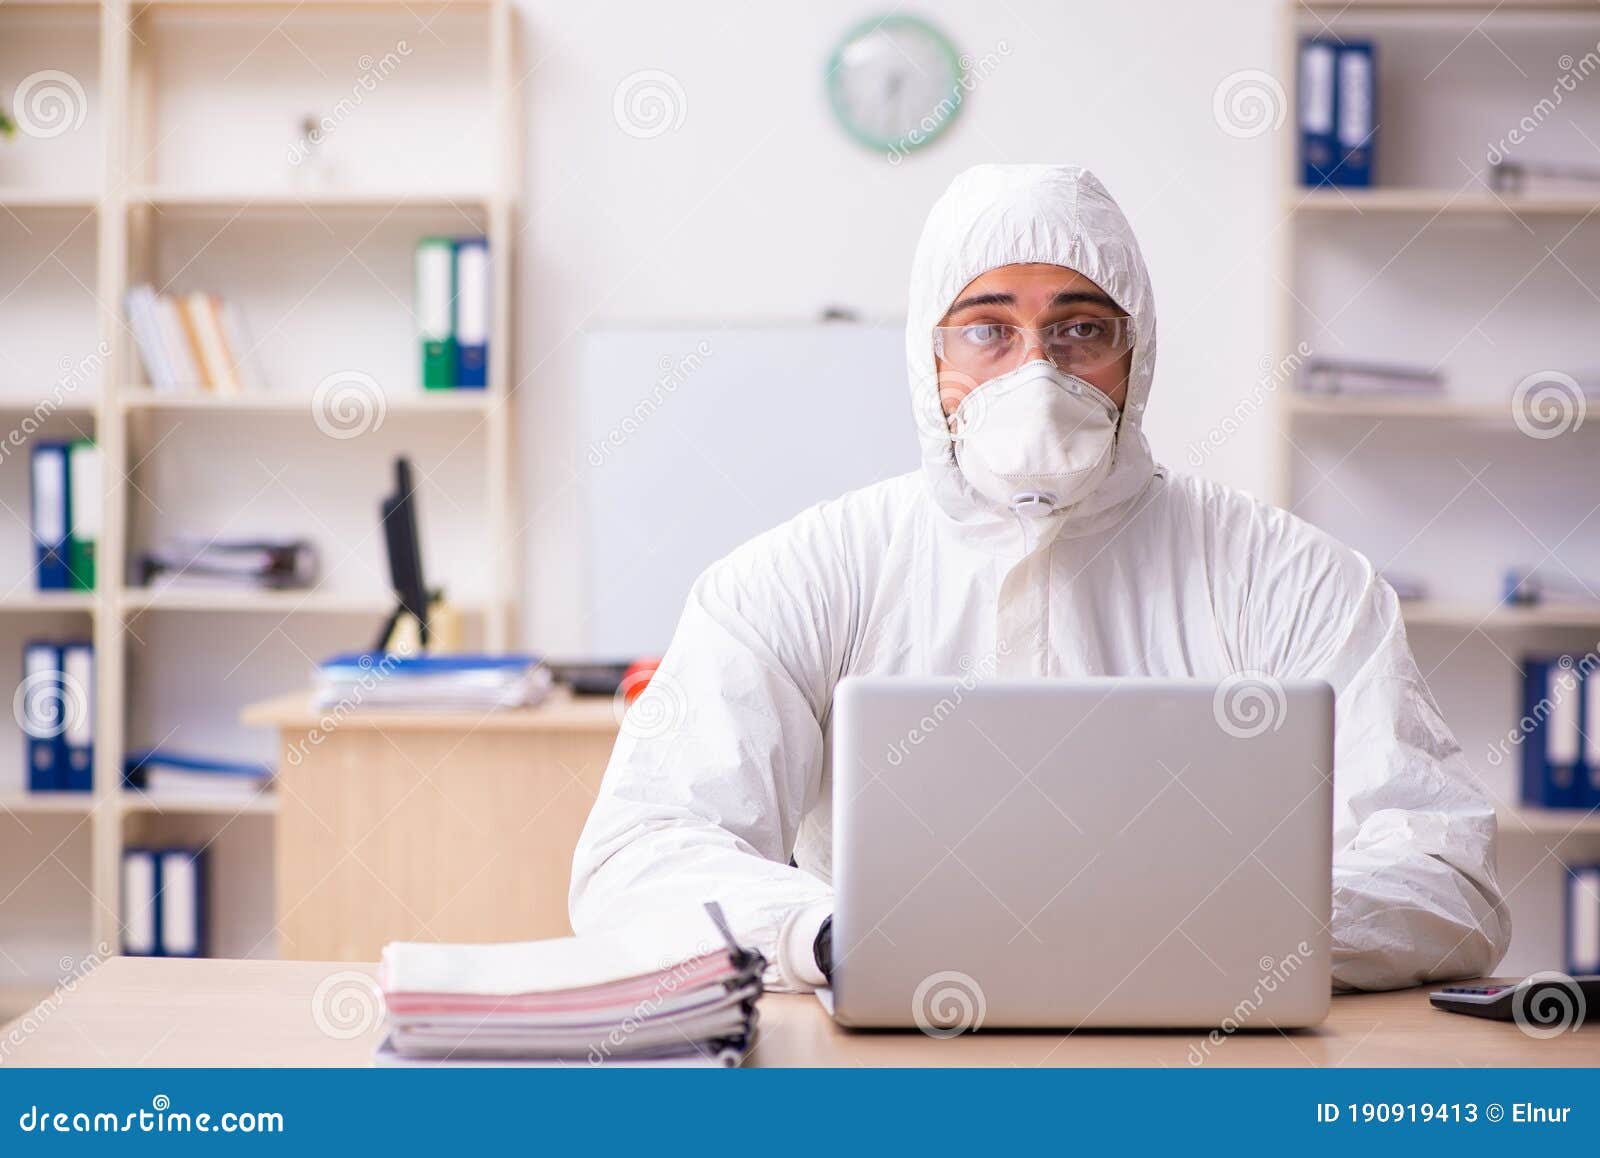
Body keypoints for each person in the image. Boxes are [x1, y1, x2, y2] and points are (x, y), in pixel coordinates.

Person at [569, 163, 1510, 993]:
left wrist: (1227, 940)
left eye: (1078, 329)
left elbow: (1444, 874)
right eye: (988, 331)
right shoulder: (799, 579)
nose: (1036, 373)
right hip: (895, 1065)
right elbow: (640, 855)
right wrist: (837, 938)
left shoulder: (1294, 580)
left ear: (1133, 355)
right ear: (928, 357)